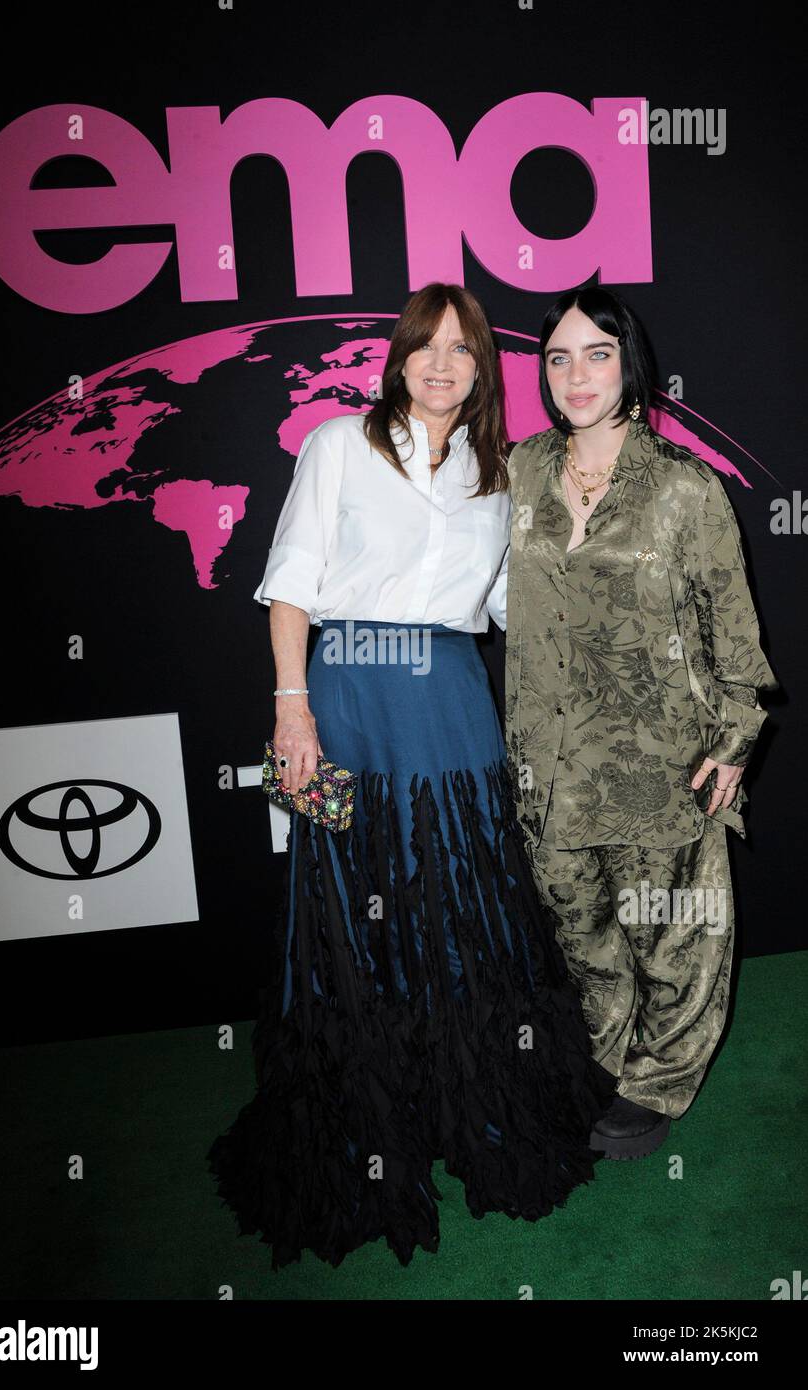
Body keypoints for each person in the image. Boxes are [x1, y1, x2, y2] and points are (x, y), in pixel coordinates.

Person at [206, 282, 616, 1269]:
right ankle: (366, 1125)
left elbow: (520, 608)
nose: (443, 364)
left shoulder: (499, 475)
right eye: (425, 347)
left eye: (463, 351)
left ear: (481, 369)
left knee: (467, 904)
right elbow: (292, 583)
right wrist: (290, 706)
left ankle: (475, 1110)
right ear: (398, 359)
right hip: (346, 700)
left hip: (453, 703)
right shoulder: (339, 447)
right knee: (353, 906)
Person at [504, 287, 778, 1161]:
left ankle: (659, 1081)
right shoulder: (517, 470)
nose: (575, 374)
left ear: (629, 364)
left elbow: (733, 626)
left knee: (670, 928)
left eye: (595, 353)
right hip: (546, 758)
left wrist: (734, 742)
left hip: (658, 757)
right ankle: (606, 1058)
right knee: (579, 930)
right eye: (557, 356)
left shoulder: (683, 487)